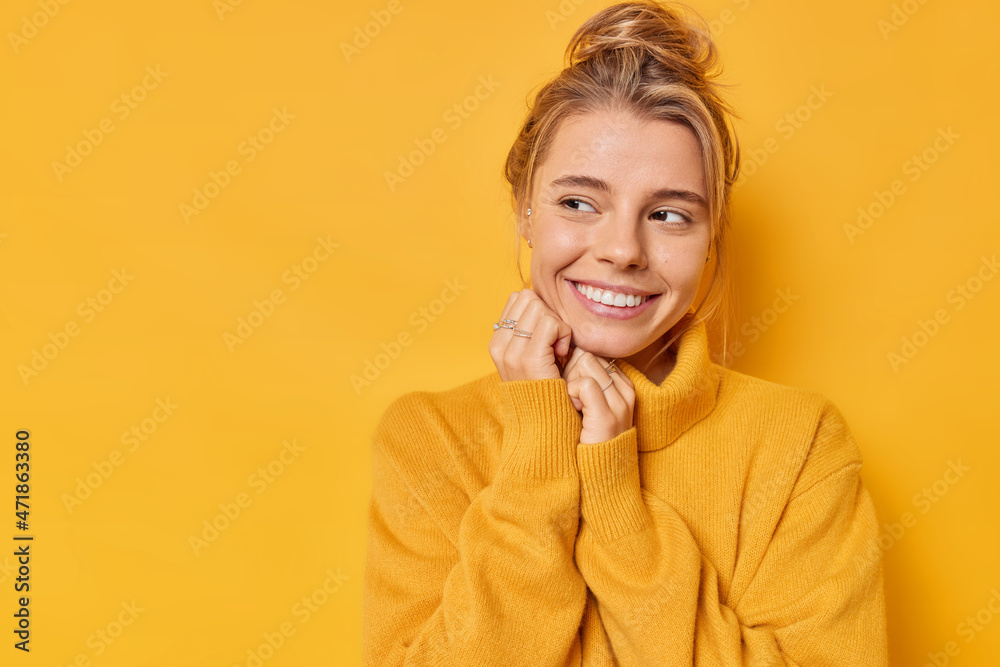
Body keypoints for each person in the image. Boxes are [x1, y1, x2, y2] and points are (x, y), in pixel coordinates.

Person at [362, 1, 889, 664]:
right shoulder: (431, 440)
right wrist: (537, 446)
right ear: (526, 209)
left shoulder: (799, 445)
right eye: (579, 202)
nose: (622, 250)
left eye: (668, 214)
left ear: (710, 240)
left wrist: (617, 500)